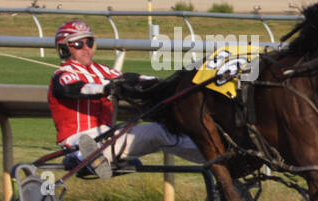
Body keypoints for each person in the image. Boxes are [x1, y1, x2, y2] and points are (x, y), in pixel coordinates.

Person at [48, 19, 203, 177]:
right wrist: (105, 88)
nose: (86, 48)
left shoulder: (102, 70)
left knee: (166, 131)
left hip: (108, 137)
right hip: (77, 141)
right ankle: (82, 158)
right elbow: (73, 88)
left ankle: (212, 156)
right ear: (64, 48)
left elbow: (132, 79)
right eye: (79, 44)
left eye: (89, 42)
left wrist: (169, 83)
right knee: (157, 132)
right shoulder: (62, 75)